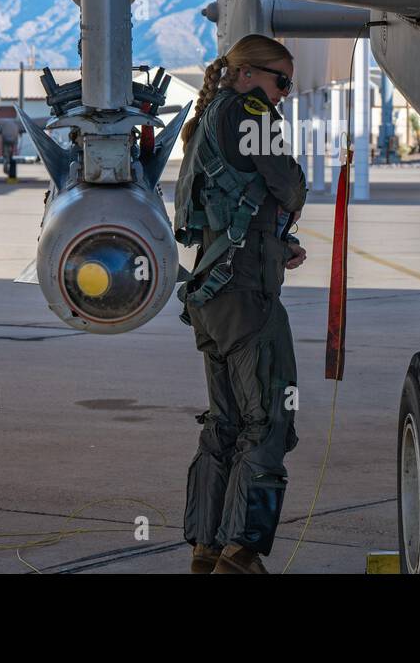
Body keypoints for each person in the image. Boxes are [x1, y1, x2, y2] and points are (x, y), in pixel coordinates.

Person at [175, 33, 308, 574]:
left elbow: (232, 206)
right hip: (247, 298)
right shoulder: (251, 112)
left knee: (224, 424)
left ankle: (207, 549)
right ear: (249, 74)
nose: (284, 94)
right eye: (282, 81)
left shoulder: (210, 118)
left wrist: (277, 243)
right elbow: (290, 184)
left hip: (212, 294)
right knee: (269, 421)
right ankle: (241, 552)